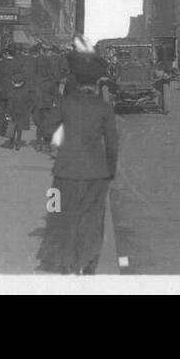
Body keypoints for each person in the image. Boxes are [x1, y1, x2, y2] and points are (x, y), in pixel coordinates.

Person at [37, 52, 119, 274]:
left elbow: (46, 128)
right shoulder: (104, 108)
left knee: (64, 216)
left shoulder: (66, 104)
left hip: (66, 171)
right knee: (92, 220)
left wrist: (60, 136)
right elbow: (112, 143)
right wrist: (110, 170)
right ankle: (88, 263)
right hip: (96, 173)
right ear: (97, 83)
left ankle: (66, 262)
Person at [4, 66, 35, 152]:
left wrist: (7, 113)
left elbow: (9, 104)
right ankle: (18, 143)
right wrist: (29, 110)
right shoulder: (26, 92)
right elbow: (30, 102)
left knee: (12, 127)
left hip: (13, 112)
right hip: (23, 112)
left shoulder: (11, 92)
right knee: (19, 129)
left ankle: (11, 142)